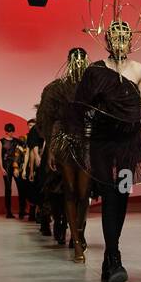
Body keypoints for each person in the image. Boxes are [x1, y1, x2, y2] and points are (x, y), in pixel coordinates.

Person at [57, 0, 141, 282]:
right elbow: (81, 108)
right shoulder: (96, 71)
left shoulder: (140, 70)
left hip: (128, 143)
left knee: (120, 196)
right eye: (116, 36)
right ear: (107, 40)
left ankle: (113, 254)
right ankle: (113, 259)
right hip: (101, 143)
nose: (121, 40)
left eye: (126, 36)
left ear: (133, 39)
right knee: (109, 192)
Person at [37, 48, 90, 257]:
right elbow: (50, 121)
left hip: (87, 143)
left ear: (86, 61)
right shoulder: (56, 89)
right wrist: (51, 148)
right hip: (65, 143)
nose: (77, 62)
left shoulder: (94, 88)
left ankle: (79, 232)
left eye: (81, 59)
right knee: (69, 190)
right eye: (74, 59)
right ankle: (76, 242)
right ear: (68, 61)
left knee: (84, 193)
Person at [0, 123, 22, 218]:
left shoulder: (17, 141)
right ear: (6, 131)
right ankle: (8, 212)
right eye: (9, 131)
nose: (10, 133)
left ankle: (22, 211)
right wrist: (1, 168)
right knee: (8, 189)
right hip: (6, 166)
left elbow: (22, 152)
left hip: (16, 166)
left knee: (21, 188)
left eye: (12, 131)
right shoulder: (1, 141)